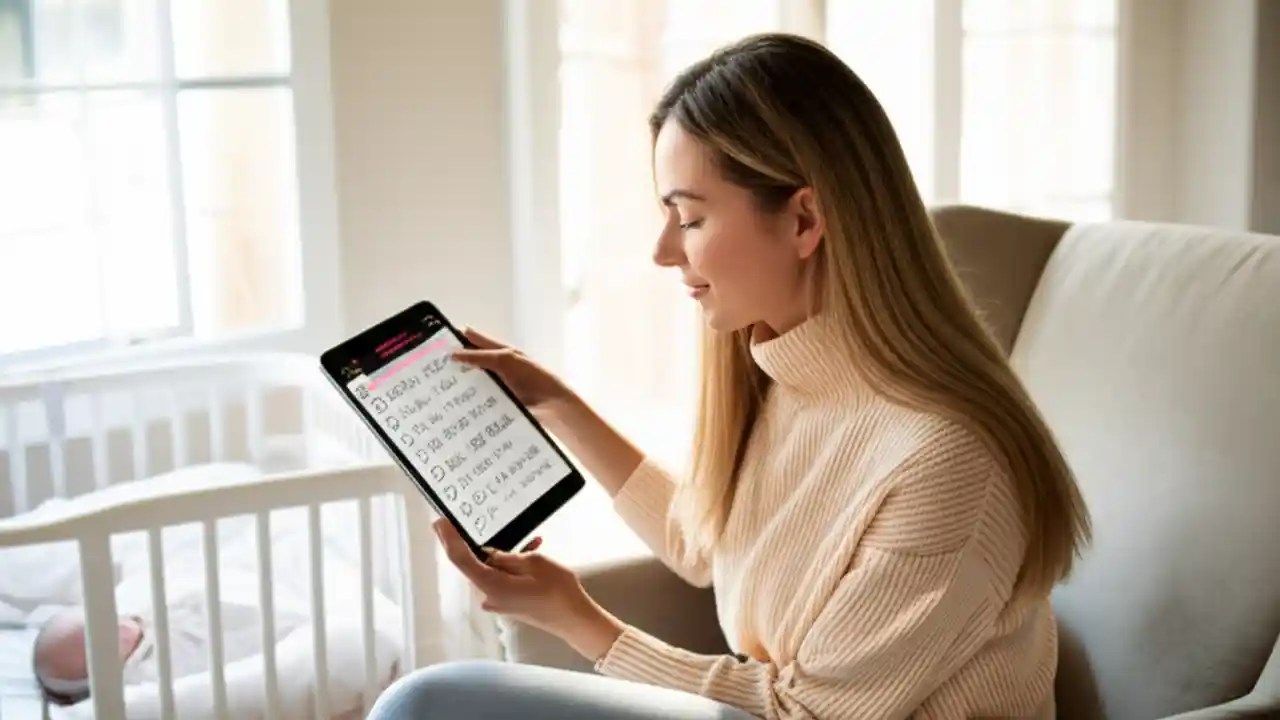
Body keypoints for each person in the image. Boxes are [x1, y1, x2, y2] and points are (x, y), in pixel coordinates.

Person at [369, 32, 1089, 720]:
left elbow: (809, 712)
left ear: (805, 219)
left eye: (687, 219)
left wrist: (580, 622)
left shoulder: (947, 460)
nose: (662, 252)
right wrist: (556, 404)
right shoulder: (789, 376)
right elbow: (707, 545)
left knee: (423, 705)